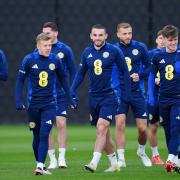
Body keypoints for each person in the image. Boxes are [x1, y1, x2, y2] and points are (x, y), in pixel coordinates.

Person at [71, 24, 131, 172]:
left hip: (110, 96)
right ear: (91, 36)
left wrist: (127, 94)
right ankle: (114, 163)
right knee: (104, 133)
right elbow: (80, 73)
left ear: (106, 36)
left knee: (101, 127)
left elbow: (124, 71)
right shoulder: (87, 52)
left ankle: (93, 162)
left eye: (100, 35)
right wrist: (72, 90)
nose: (98, 38)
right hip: (93, 97)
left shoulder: (114, 51)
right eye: (95, 35)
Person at [15, 33, 75, 175]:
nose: (48, 48)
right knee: (36, 136)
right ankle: (40, 165)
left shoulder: (55, 60)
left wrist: (70, 98)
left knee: (44, 134)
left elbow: (63, 81)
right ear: (38, 45)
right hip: (33, 105)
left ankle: (40, 166)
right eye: (45, 45)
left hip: (49, 104)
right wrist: (18, 100)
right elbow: (19, 81)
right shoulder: (29, 60)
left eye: (49, 45)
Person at [114, 22, 152, 167]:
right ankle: (121, 158)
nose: (128, 36)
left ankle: (141, 151)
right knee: (120, 124)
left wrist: (140, 75)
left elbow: (149, 68)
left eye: (129, 33)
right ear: (118, 34)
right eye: (124, 33)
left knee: (143, 129)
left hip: (137, 93)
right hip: (120, 93)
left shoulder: (140, 47)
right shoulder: (114, 49)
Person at [42, 22, 77, 169]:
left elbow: (74, 71)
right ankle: (52, 160)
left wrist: (73, 93)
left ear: (56, 33)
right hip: (46, 94)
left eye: (48, 33)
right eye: (43, 33)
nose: (45, 36)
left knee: (61, 123)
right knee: (48, 127)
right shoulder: (41, 49)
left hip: (61, 93)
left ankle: (62, 158)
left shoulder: (65, 50)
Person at [148, 25, 180, 172]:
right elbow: (151, 76)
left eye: (176, 40)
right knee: (167, 130)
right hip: (163, 99)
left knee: (175, 129)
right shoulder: (157, 56)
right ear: (164, 40)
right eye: (171, 40)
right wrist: (150, 96)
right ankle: (175, 159)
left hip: (177, 99)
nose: (174, 43)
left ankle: (169, 160)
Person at [147, 30, 165, 165]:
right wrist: (154, 80)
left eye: (166, 38)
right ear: (156, 40)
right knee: (153, 126)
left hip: (171, 95)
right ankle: (155, 155)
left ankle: (174, 155)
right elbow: (144, 73)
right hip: (155, 95)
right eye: (160, 38)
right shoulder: (150, 55)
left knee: (173, 126)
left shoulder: (176, 54)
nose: (163, 40)